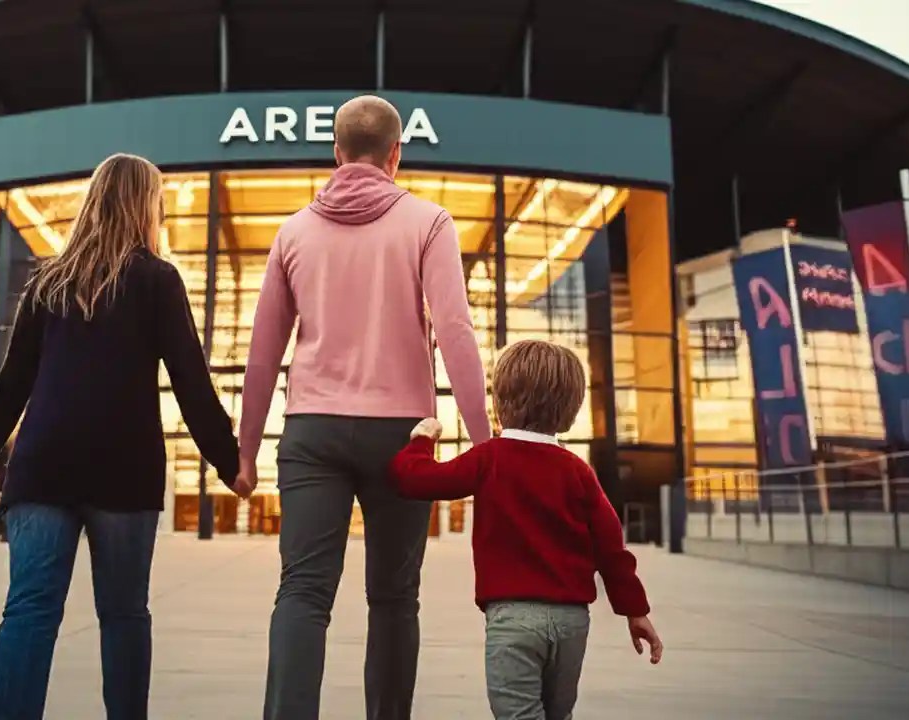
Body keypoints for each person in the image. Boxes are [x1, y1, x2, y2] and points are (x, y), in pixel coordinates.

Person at [0, 153, 253, 720]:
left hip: (42, 469)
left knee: (29, 612)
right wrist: (229, 461)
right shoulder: (158, 280)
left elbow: (11, 386)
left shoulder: (48, 282)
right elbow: (191, 380)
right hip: (125, 471)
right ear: (146, 205)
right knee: (124, 614)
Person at [236, 95, 493, 720]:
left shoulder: (293, 231)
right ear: (395, 155)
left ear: (336, 152)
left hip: (312, 432)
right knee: (396, 597)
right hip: (402, 437)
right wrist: (486, 447)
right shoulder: (429, 223)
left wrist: (244, 453)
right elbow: (455, 330)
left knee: (302, 591)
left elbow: (264, 354)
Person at [390, 340, 663, 720]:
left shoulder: (490, 459)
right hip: (572, 622)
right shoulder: (578, 471)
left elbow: (418, 481)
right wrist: (635, 610)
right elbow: (611, 546)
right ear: (570, 411)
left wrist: (421, 441)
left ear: (500, 401)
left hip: (513, 619)